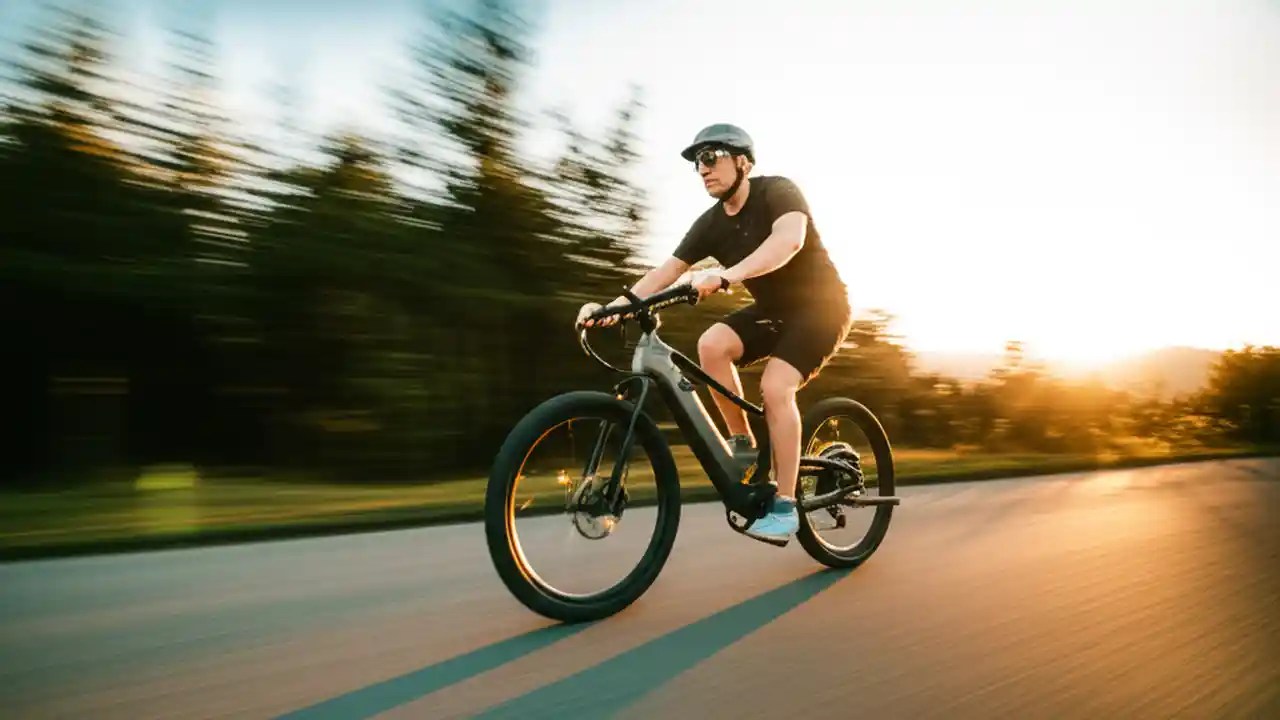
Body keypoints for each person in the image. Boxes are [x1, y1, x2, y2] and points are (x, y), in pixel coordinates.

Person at [576, 123, 852, 545]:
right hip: (773, 313)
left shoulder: (778, 191)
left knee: (776, 388)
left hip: (821, 309)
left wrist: (727, 275)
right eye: (696, 163)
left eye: (710, 157)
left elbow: (789, 242)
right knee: (711, 344)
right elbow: (665, 273)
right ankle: (742, 444)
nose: (702, 169)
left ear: (742, 161)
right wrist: (611, 310)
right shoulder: (709, 224)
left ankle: (784, 505)